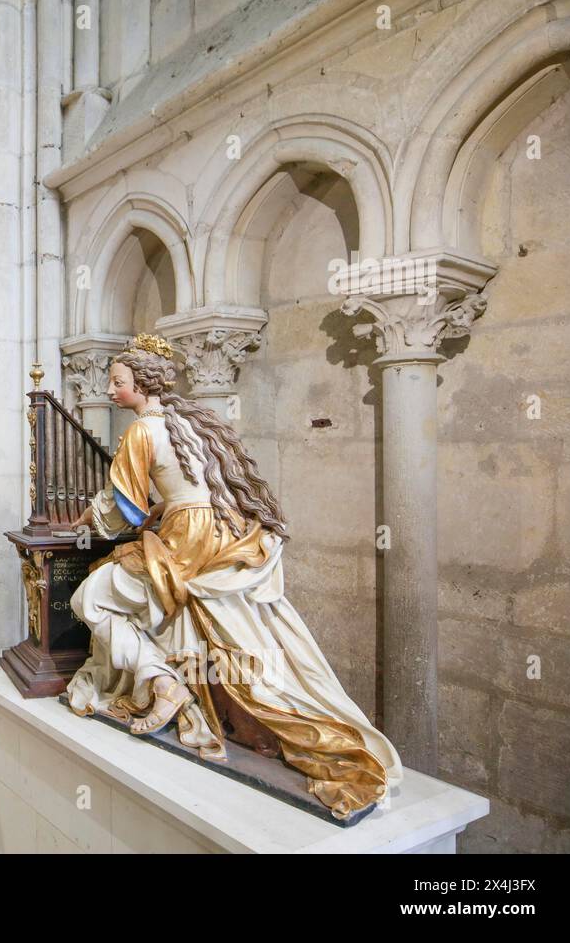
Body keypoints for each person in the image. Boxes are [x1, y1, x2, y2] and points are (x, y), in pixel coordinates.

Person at [66, 333, 402, 820]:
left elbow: (122, 507)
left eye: (118, 383)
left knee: (90, 597)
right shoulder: (192, 422)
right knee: (198, 618)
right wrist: (162, 508)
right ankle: (204, 697)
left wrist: (85, 522)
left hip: (186, 538)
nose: (113, 391)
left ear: (142, 383)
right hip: (224, 530)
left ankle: (164, 683)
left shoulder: (141, 431)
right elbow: (191, 486)